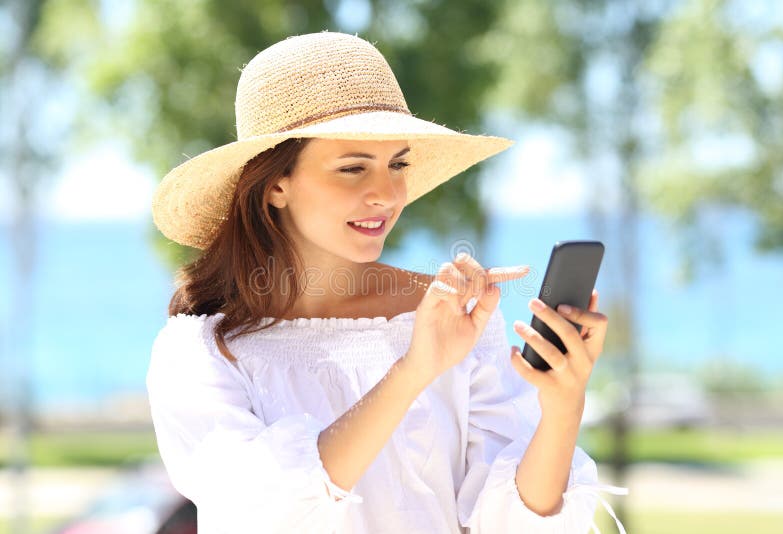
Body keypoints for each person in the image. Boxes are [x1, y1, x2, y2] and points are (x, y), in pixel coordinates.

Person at [146, 30, 627, 534]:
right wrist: (414, 370)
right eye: (353, 168)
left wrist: (563, 404)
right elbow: (270, 508)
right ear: (276, 186)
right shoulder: (201, 351)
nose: (387, 194)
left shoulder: (453, 319)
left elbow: (512, 523)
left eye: (397, 164)